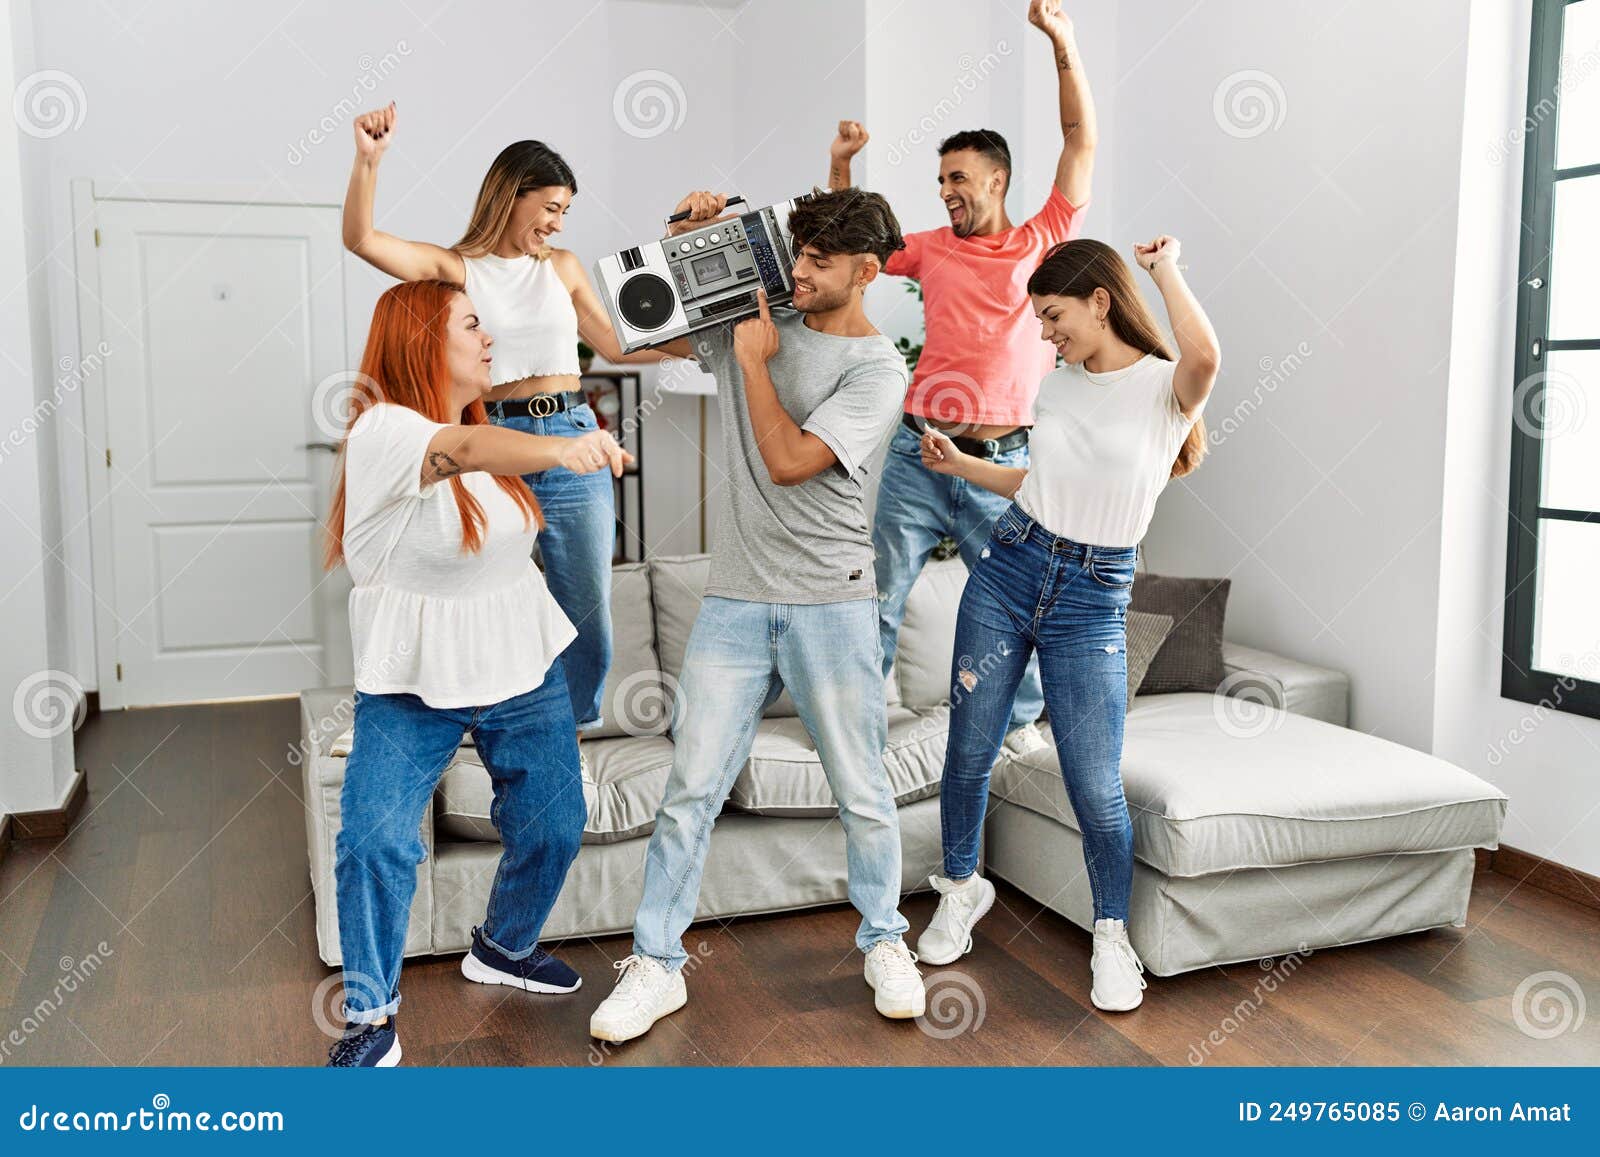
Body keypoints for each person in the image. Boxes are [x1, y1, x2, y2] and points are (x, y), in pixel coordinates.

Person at [588, 187, 925, 1044]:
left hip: (833, 600)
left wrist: (748, 364)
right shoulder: (758, 313)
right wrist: (687, 230)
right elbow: (632, 322)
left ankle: (886, 942)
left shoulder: (879, 370)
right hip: (736, 597)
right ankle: (656, 964)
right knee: (689, 789)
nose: (799, 271)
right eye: (796, 253)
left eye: (818, 261)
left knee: (861, 788)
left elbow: (786, 461)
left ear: (866, 272)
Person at [322, 279, 632, 1067]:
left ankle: (503, 946)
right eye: (471, 324)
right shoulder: (384, 429)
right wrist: (565, 445)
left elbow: (483, 457)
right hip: (410, 675)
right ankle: (370, 1017)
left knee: (558, 821)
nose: (488, 337)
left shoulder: (486, 430)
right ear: (424, 340)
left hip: (518, 660)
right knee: (375, 839)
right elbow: (458, 453)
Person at [913, 235, 1219, 1012]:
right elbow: (1041, 476)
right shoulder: (1055, 386)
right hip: (1011, 565)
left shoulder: (1165, 389)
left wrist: (1165, 268)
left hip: (1093, 596)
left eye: (1053, 317)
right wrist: (962, 466)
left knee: (1094, 782)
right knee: (970, 745)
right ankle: (960, 887)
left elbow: (1207, 356)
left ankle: (1111, 936)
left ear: (1100, 301)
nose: (1045, 334)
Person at [343, 102, 680, 751]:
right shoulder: (457, 269)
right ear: (510, 195)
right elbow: (363, 240)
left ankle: (564, 732)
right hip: (490, 440)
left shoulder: (563, 266)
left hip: (572, 435)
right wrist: (368, 162)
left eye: (564, 213)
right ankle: (465, 722)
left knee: (588, 614)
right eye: (549, 207)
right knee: (476, 595)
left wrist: (700, 342)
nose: (555, 223)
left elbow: (614, 344)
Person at [827, 0, 1097, 756]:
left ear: (998, 179)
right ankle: (852, 724)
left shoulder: (1041, 239)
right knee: (878, 593)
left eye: (959, 177)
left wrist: (1062, 40)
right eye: (941, 177)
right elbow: (851, 242)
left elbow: (1081, 139)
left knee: (1017, 600)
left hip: (1001, 459)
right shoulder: (929, 246)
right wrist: (843, 164)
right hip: (922, 450)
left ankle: (1021, 724)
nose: (946, 188)